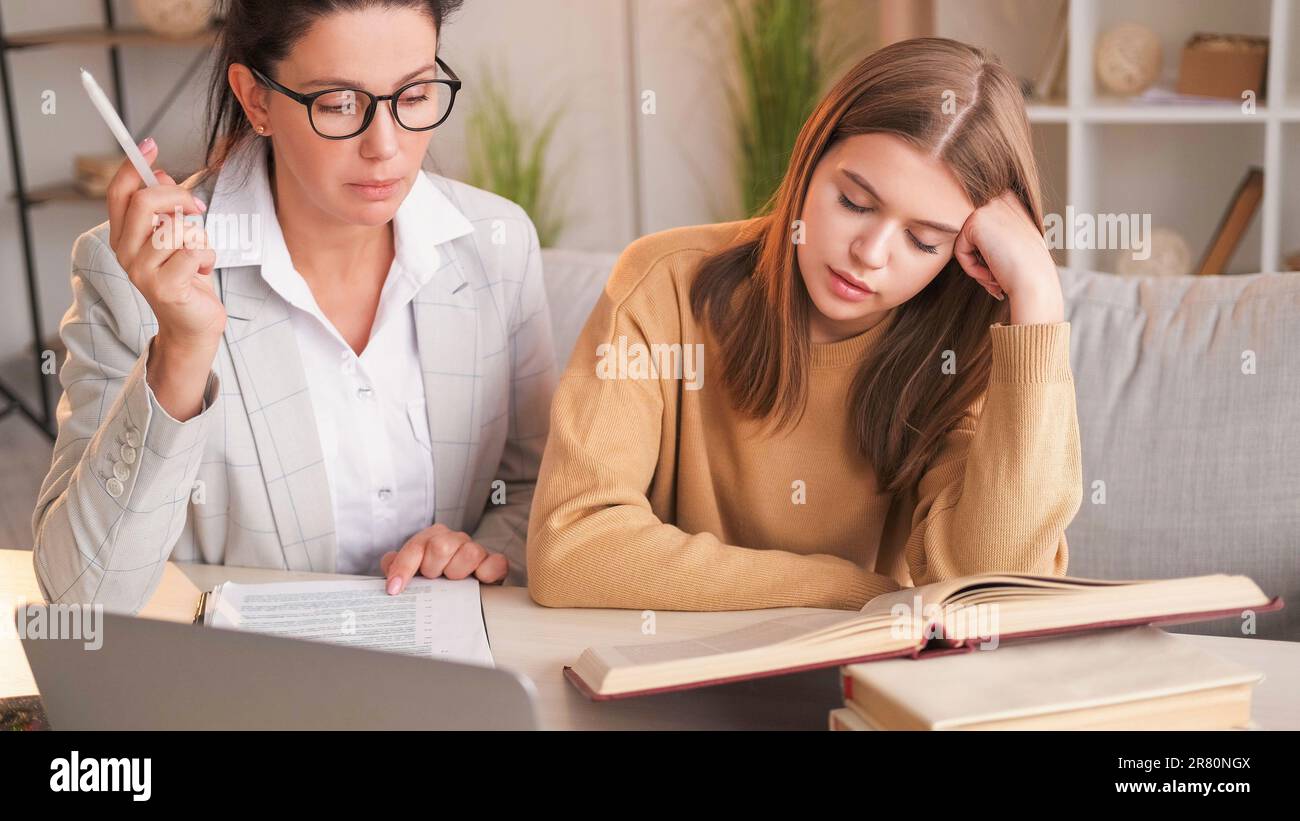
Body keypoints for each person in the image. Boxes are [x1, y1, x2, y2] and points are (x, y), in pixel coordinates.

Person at [32, 0, 556, 612]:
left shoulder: (498, 242)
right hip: (251, 688)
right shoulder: (131, 274)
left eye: (414, 98)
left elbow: (535, 492)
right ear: (256, 99)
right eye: (337, 104)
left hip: (453, 673)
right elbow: (84, 596)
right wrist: (181, 350)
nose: (385, 146)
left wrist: (477, 553)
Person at [527, 37, 1082, 611]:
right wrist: (858, 592)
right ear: (810, 162)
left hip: (866, 683)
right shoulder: (662, 284)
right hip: (672, 673)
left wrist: (1038, 300)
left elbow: (997, 593)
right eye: (854, 203)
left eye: (923, 240)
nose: (871, 253)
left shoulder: (963, 350)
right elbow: (571, 549)